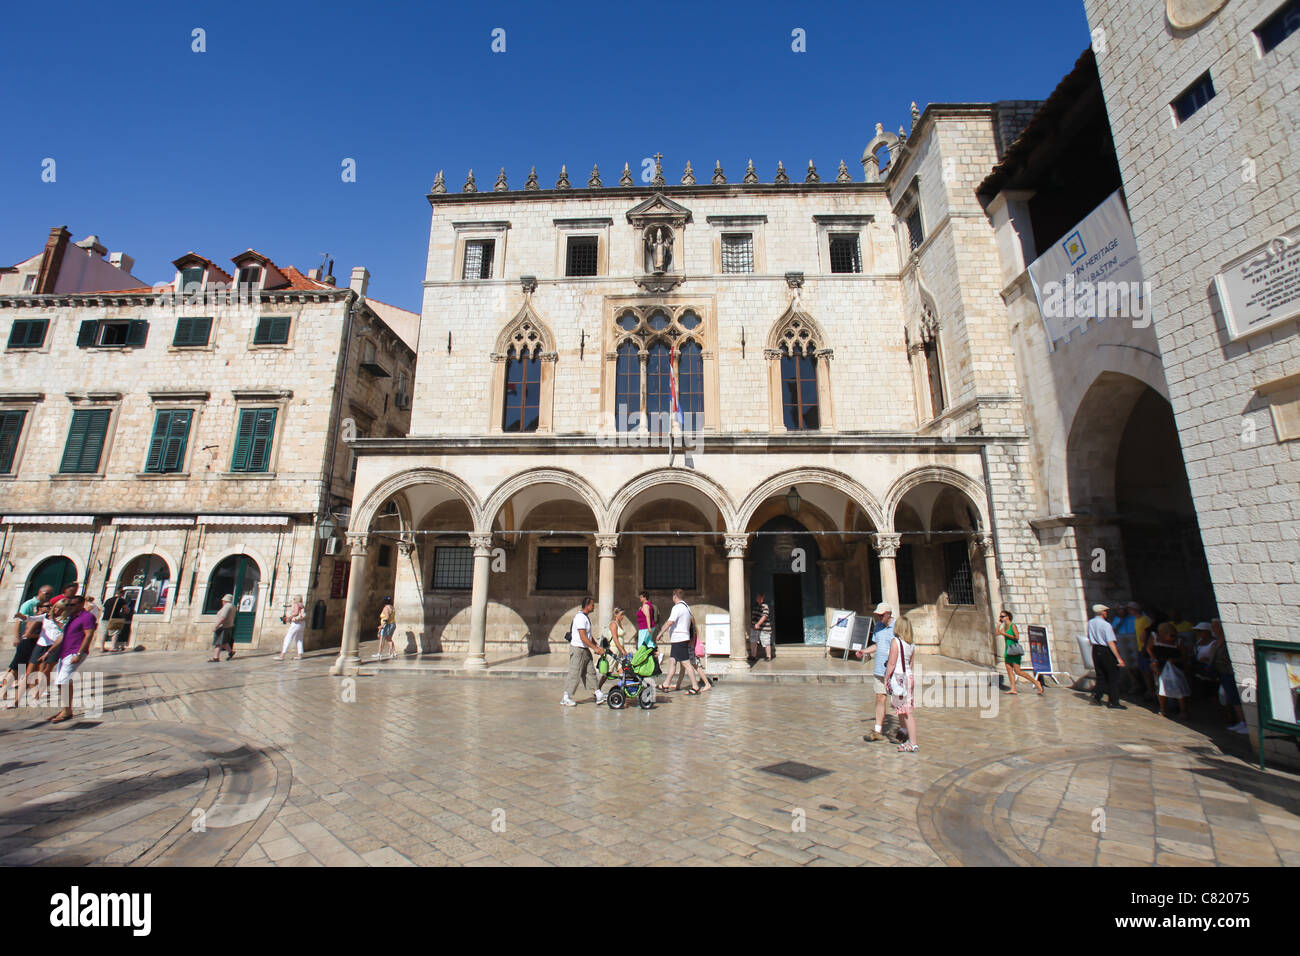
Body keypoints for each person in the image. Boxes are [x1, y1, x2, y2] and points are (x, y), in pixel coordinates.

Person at [41, 595, 95, 724]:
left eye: (73, 604)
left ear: (81, 604)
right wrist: (49, 651)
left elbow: (89, 635)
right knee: (62, 681)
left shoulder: (87, 617)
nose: (70, 607)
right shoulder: (71, 618)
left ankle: (66, 711)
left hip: (75, 652)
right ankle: (67, 709)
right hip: (64, 653)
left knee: (62, 681)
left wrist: (79, 653)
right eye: (69, 605)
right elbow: (62, 636)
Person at [656, 589, 707, 695]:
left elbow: (670, 622)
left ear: (675, 596)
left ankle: (695, 686)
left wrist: (660, 633)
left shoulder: (677, 607)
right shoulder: (687, 607)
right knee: (672, 661)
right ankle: (666, 684)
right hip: (680, 639)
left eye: (673, 596)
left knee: (686, 663)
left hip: (679, 639)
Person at [2, 601, 50, 708]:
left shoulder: (41, 618)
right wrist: (41, 636)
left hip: (31, 645)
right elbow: (28, 634)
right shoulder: (38, 619)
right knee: (16, 670)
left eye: (49, 606)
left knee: (22, 670)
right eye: (46, 606)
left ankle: (33, 691)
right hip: (27, 644)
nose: (49, 608)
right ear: (39, 608)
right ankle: (4, 690)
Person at [1206, 619, 1248, 734]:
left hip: (1230, 673)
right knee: (1231, 698)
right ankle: (1241, 721)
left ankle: (1245, 722)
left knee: (1237, 698)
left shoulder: (1228, 641)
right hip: (1223, 673)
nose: (1213, 630)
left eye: (1215, 627)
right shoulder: (1217, 641)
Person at [864, 603, 897, 742]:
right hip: (880, 669)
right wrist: (864, 651)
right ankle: (878, 730)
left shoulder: (898, 627)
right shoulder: (877, 627)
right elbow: (877, 645)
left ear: (889, 613)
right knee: (880, 698)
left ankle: (902, 732)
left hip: (895, 670)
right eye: (878, 614)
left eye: (882, 615)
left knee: (898, 702)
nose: (879, 617)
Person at [561, 597, 604, 706]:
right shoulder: (580, 618)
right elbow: (583, 637)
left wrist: (597, 645)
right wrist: (594, 648)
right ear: (587, 605)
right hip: (578, 649)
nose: (594, 607)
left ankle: (598, 694)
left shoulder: (585, 618)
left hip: (584, 649)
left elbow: (589, 636)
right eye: (592, 605)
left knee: (590, 672)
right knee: (575, 673)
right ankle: (566, 697)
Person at [885, 615, 918, 752]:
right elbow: (910, 663)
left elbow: (892, 663)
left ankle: (913, 743)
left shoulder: (896, 642)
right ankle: (905, 734)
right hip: (908, 677)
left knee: (906, 713)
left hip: (899, 678)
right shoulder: (911, 644)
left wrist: (886, 678)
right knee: (902, 710)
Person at [1087, 603, 1126, 709]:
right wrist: (1119, 658)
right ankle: (1113, 701)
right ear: (1103, 612)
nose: (1106, 613)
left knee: (1100, 675)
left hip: (1095, 649)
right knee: (1112, 676)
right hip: (1105, 650)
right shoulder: (1106, 625)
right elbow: (1110, 642)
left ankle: (1097, 696)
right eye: (1105, 611)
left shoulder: (1090, 622)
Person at [1151, 622, 1190, 718]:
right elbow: (1149, 649)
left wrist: (1175, 660)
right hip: (1160, 666)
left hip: (1175, 668)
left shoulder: (1178, 642)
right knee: (1161, 688)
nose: (1173, 637)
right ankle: (1163, 709)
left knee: (1179, 688)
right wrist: (1154, 660)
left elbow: (1185, 655)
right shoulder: (1155, 638)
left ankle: (1183, 711)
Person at [999, 609, 1043, 695]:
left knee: (1018, 671)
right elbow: (997, 633)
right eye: (1000, 616)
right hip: (1007, 650)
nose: (1001, 618)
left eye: (1002, 616)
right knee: (1009, 670)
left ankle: (1036, 682)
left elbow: (1017, 637)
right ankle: (1013, 688)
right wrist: (999, 624)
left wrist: (1005, 634)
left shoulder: (1013, 626)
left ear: (1008, 617)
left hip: (1014, 651)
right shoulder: (1004, 627)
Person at [595, 606, 636, 695]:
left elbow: (621, 640)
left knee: (621, 670)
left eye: (623, 615)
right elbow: (615, 638)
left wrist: (624, 650)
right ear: (616, 614)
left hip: (619, 651)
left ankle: (623, 689)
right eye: (621, 615)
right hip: (613, 650)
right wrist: (622, 650)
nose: (623, 617)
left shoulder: (620, 624)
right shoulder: (613, 624)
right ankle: (597, 689)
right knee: (607, 672)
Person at [277, 596, 307, 660]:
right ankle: (299, 655)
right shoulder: (302, 605)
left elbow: (296, 613)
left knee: (288, 637)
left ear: (297, 599)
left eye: (294, 599)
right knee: (299, 639)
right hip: (302, 623)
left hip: (296, 623)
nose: (293, 600)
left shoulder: (296, 604)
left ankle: (282, 655)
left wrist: (289, 617)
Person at [208, 594, 236, 662]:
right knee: (224, 642)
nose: (222, 602)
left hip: (223, 627)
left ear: (225, 600)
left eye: (223, 600)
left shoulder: (227, 607)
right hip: (228, 626)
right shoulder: (233, 606)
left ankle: (216, 657)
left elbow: (223, 617)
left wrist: (216, 626)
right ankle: (231, 652)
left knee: (218, 642)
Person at [749, 591, 772, 662]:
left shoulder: (765, 606)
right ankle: (753, 656)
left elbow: (764, 616)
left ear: (762, 598)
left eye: (759, 597)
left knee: (766, 642)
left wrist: (758, 624)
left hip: (764, 628)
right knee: (753, 641)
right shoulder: (755, 606)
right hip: (754, 628)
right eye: (757, 597)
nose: (757, 598)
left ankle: (768, 656)